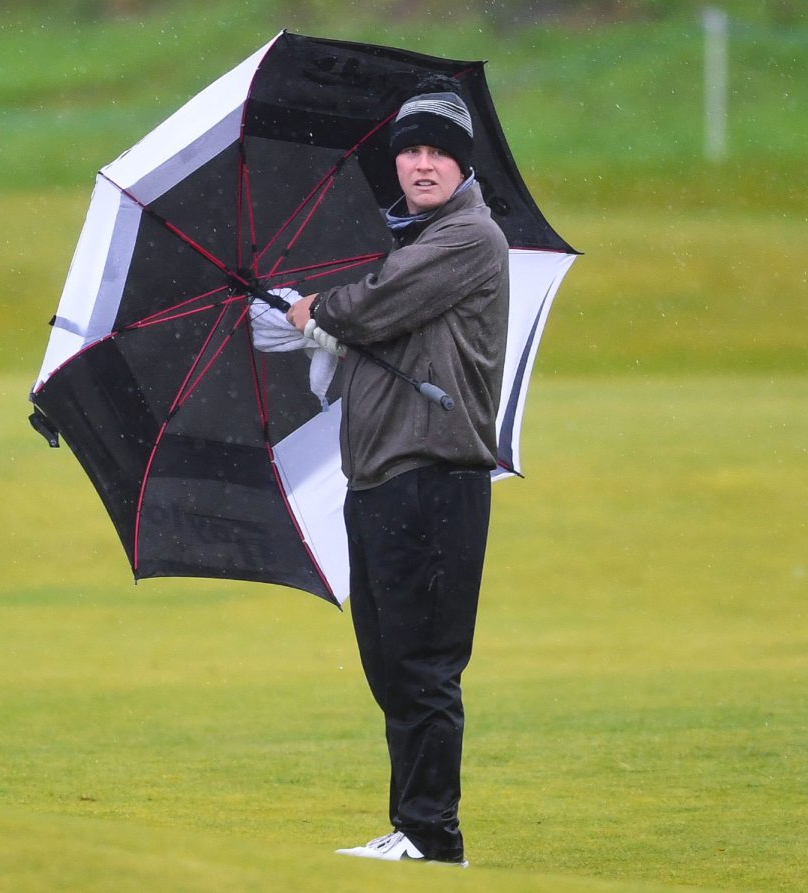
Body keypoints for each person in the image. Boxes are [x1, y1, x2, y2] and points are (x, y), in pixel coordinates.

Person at [285, 77, 509, 868]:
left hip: (433, 479)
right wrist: (326, 346)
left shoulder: (469, 239)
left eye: (437, 153)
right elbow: (380, 330)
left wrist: (320, 314)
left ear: (461, 166)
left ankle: (433, 837)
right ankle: (412, 827)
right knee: (389, 663)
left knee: (421, 666)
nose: (421, 164)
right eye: (410, 151)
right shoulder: (410, 241)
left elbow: (371, 308)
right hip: (379, 480)